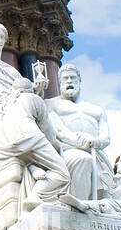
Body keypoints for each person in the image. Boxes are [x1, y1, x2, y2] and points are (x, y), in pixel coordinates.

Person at [0, 76, 69, 212]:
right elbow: (49, 134)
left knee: (32, 158)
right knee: (62, 173)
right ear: (30, 90)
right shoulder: (34, 99)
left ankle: (31, 166)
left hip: (2, 151)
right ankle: (35, 195)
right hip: (30, 141)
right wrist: (58, 148)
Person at [47, 66, 113, 201]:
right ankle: (77, 206)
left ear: (79, 80)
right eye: (65, 78)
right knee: (83, 159)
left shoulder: (96, 109)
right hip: (68, 150)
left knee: (109, 190)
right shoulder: (51, 104)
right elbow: (58, 129)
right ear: (60, 82)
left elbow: (106, 136)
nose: (69, 81)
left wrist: (97, 141)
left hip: (96, 151)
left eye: (73, 78)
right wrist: (79, 141)